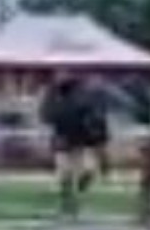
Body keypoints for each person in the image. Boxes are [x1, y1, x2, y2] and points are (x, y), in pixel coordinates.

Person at [43, 75, 110, 221]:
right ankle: (71, 199)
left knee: (78, 172)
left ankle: (72, 198)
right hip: (69, 144)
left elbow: (96, 128)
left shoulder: (79, 106)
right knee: (73, 173)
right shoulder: (64, 106)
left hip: (77, 143)